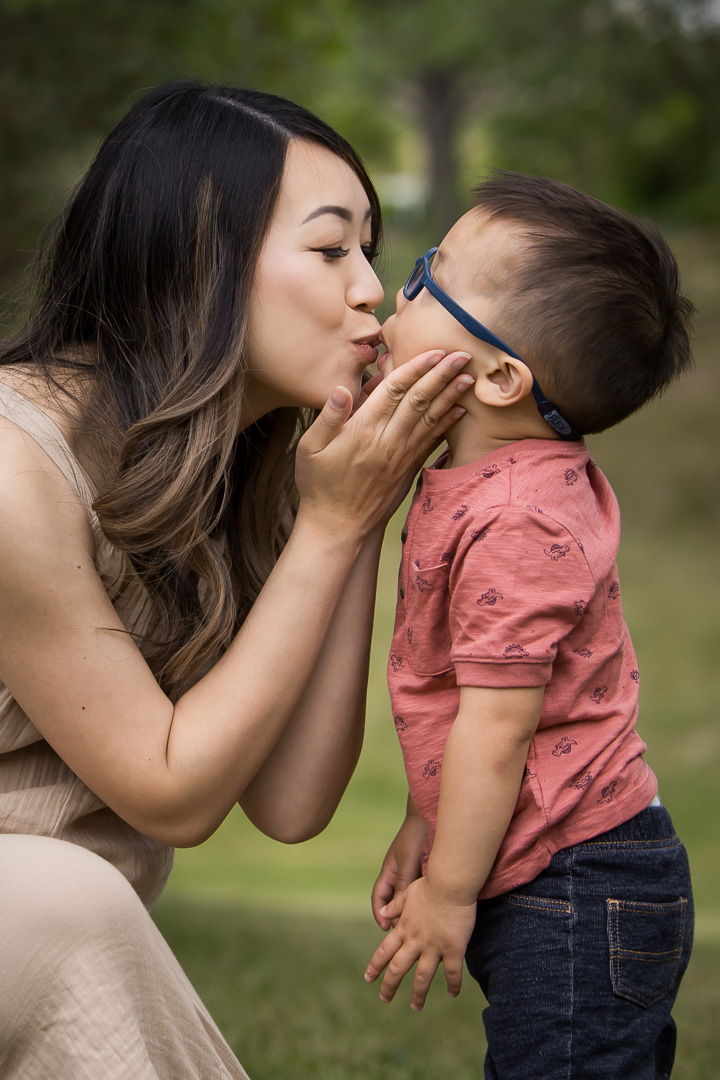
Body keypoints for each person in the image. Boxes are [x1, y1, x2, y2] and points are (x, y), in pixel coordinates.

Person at [0, 80, 475, 1079]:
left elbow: (293, 803)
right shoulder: (14, 466)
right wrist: (332, 525)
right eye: (330, 246)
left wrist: (354, 516)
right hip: (37, 916)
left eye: (370, 250)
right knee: (61, 895)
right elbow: (172, 795)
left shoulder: (231, 470)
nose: (369, 290)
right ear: (198, 263)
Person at [364, 171, 695, 1079]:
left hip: (580, 883)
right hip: (570, 869)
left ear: (502, 375)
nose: (402, 286)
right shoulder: (492, 486)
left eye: (431, 276)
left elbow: (500, 725)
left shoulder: (518, 519)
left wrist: (451, 892)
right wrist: (427, 819)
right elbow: (463, 700)